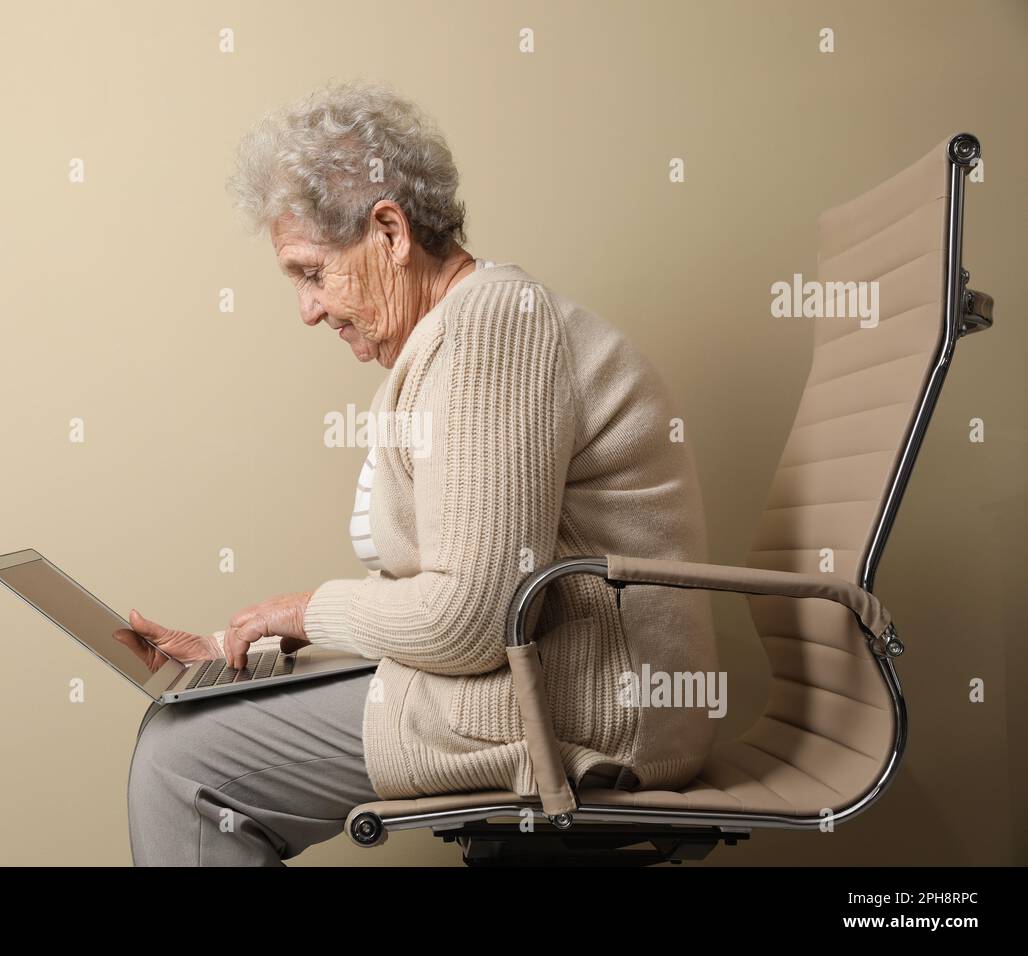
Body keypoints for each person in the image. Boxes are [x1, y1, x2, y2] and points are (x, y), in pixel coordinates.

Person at [120, 79, 717, 866]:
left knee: (182, 762)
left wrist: (301, 613)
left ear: (390, 232)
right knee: (191, 729)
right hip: (545, 691)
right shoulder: (462, 334)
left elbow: (472, 619)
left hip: (584, 713)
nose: (305, 309)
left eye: (309, 272)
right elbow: (453, 605)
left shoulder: (488, 333)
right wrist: (245, 655)